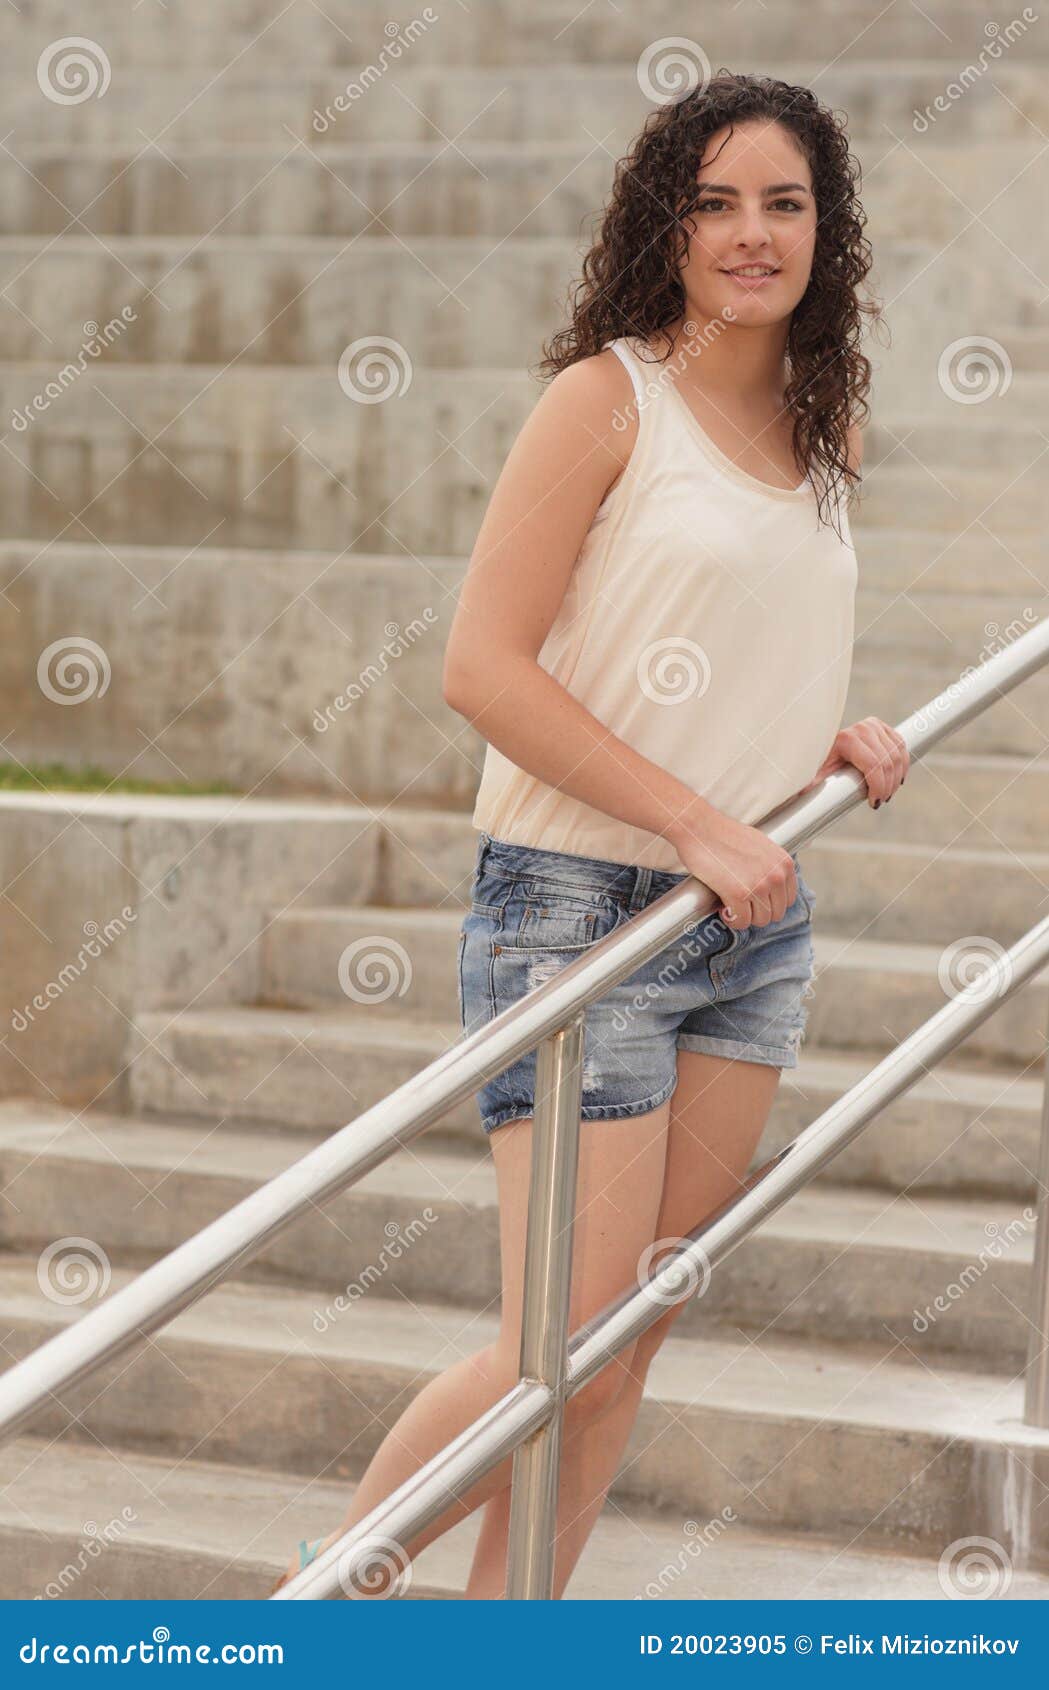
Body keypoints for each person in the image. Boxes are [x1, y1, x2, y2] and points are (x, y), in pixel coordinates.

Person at [269, 69, 909, 1601]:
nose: (750, 234)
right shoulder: (604, 397)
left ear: (826, 226)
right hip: (580, 909)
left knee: (630, 1334)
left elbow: (729, 632)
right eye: (714, 203)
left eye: (784, 202)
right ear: (664, 227)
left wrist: (825, 741)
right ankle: (318, 1620)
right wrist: (695, 815)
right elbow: (479, 665)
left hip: (747, 929)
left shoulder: (831, 425)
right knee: (551, 1339)